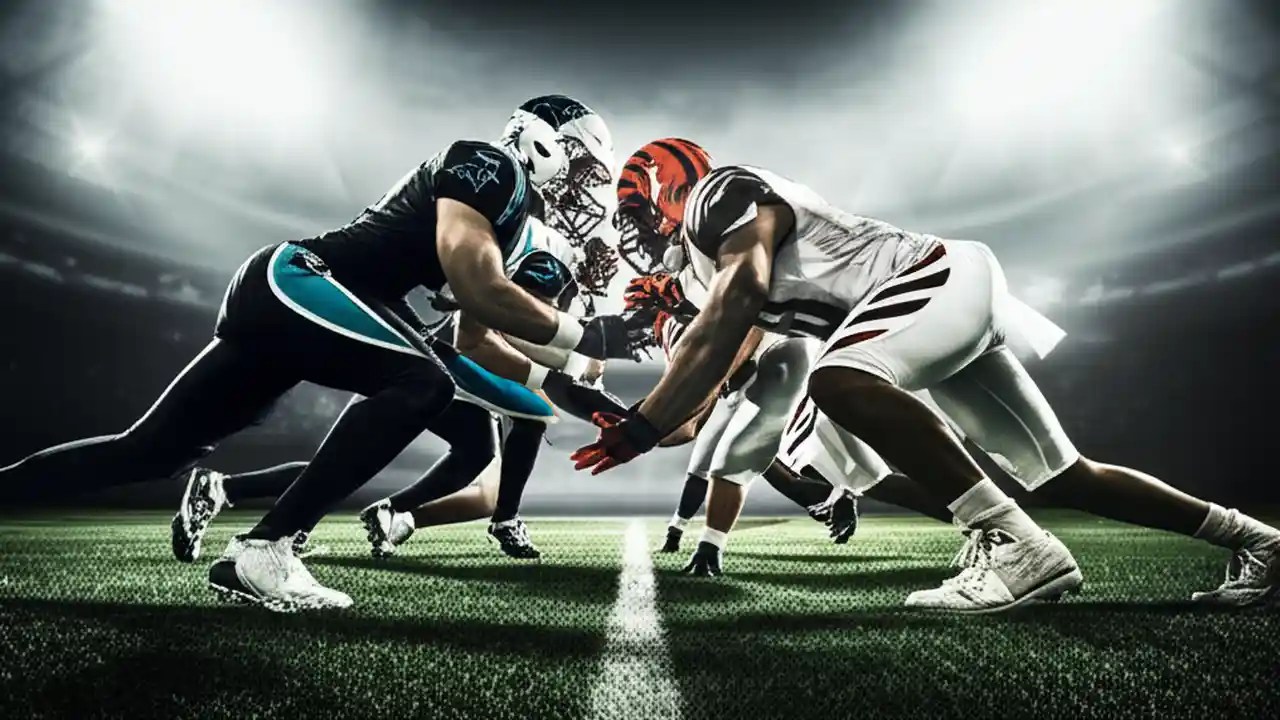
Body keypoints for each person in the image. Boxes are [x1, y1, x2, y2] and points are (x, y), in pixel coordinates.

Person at [575, 156, 1280, 611]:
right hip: (937, 301)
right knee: (1064, 474)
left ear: (675, 185)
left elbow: (733, 309)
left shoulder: (721, 197)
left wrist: (644, 423)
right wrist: (641, 423)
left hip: (933, 279)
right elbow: (712, 375)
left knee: (837, 378)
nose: (634, 231)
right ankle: (1260, 542)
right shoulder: (713, 274)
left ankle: (1015, 543)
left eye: (637, 209)